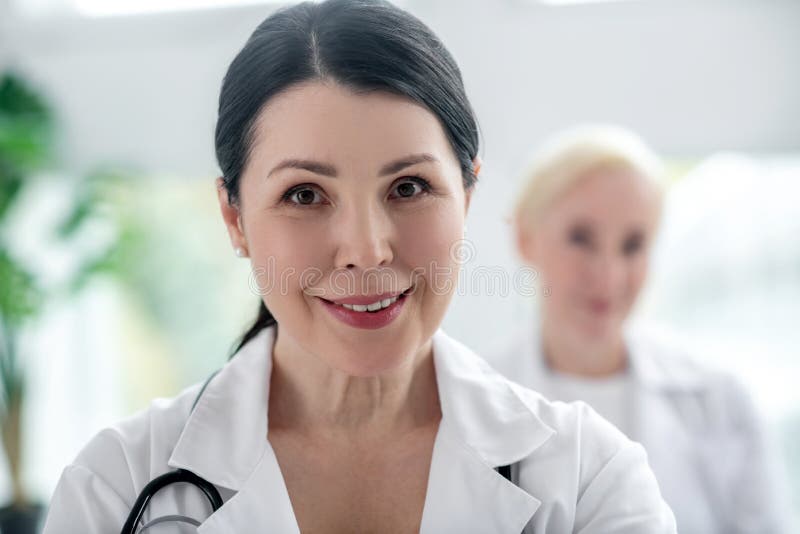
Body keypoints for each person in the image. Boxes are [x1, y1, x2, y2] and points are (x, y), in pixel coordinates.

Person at [42, 3, 676, 533]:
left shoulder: (590, 481)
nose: (367, 249)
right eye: (304, 195)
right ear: (234, 219)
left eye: (407, 187)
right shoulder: (114, 489)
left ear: (468, 196)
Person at [492, 125, 790, 534]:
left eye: (633, 245)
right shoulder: (473, 402)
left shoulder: (721, 399)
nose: (608, 275)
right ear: (526, 237)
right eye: (581, 238)